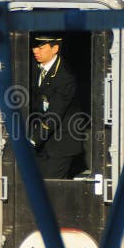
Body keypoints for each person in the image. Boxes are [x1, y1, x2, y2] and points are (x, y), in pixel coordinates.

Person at [29, 36, 84, 179]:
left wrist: (32, 140)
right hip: (41, 142)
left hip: (61, 145)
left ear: (55, 49)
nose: (35, 51)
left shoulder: (65, 77)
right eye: (34, 47)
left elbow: (53, 115)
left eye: (40, 47)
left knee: (50, 188)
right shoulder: (34, 68)